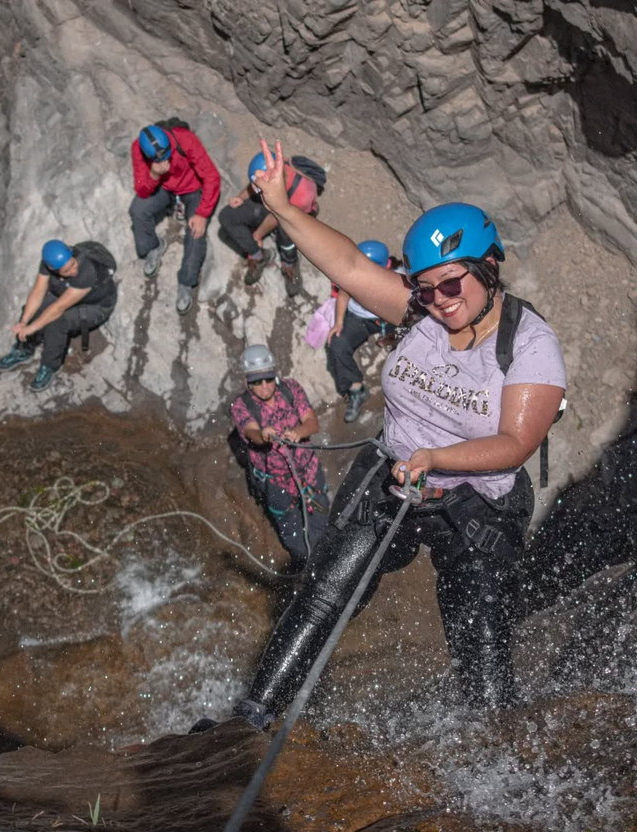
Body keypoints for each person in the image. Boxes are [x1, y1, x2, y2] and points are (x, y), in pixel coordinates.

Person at [228, 139, 566, 728]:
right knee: (323, 598)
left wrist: (435, 456)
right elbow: (352, 268)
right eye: (426, 287)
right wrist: (282, 208)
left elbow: (516, 444)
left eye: (451, 285)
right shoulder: (422, 312)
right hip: (393, 475)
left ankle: (495, 752)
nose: (439, 301)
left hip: (475, 502)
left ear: (489, 267)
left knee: (478, 643)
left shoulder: (529, 345)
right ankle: (249, 719)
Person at [230, 345, 330, 571]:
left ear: (275, 374)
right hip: (274, 478)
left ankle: (324, 558)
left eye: (268, 379)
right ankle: (306, 564)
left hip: (307, 469)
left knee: (321, 515)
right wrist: (263, 435)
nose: (264, 387)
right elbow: (251, 432)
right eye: (257, 382)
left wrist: (299, 432)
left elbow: (312, 422)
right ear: (248, 382)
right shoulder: (242, 406)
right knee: (289, 524)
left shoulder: (291, 389)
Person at [0, 239, 117, 392]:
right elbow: (38, 292)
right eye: (67, 271)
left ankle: (49, 366)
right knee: (33, 309)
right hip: (66, 292)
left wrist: (32, 328)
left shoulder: (86, 270)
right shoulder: (47, 264)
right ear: (53, 269)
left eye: (73, 263)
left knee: (59, 322)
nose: (73, 270)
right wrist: (24, 322)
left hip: (95, 305)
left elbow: (58, 308)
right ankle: (24, 349)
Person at [130, 122, 220, 315]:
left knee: (196, 233)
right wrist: (154, 174)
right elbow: (141, 190)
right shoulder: (138, 148)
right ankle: (153, 246)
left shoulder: (184, 139)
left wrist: (202, 213)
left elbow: (212, 177)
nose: (166, 160)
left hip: (191, 189)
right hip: (162, 187)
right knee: (138, 209)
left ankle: (186, 282)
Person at [218, 152, 320, 296]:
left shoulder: (302, 193)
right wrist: (241, 198)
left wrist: (257, 235)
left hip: (292, 211)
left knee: (287, 232)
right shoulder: (270, 173)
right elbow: (257, 186)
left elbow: (276, 217)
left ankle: (290, 263)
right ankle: (258, 256)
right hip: (272, 203)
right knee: (227, 217)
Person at [326, 240, 391, 423]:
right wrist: (339, 322)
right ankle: (356, 389)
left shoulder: (394, 278)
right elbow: (343, 296)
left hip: (386, 316)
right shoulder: (352, 276)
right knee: (337, 344)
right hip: (360, 318)